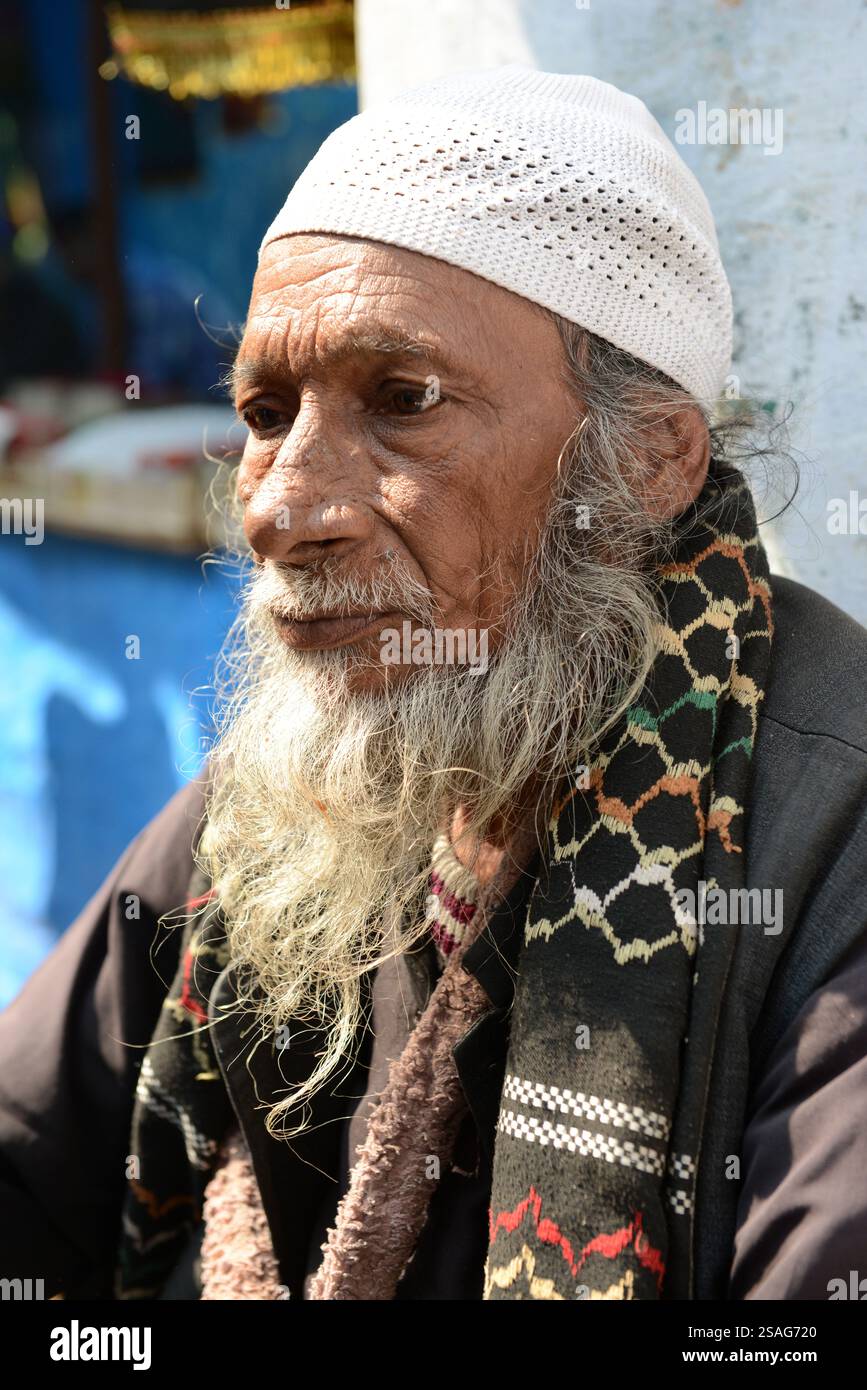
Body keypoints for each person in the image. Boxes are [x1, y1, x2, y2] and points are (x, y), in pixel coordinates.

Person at [3, 66, 867, 1302]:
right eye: (264, 409)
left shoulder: (832, 836)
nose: (282, 507)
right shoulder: (272, 809)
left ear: (649, 458)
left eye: (403, 401)